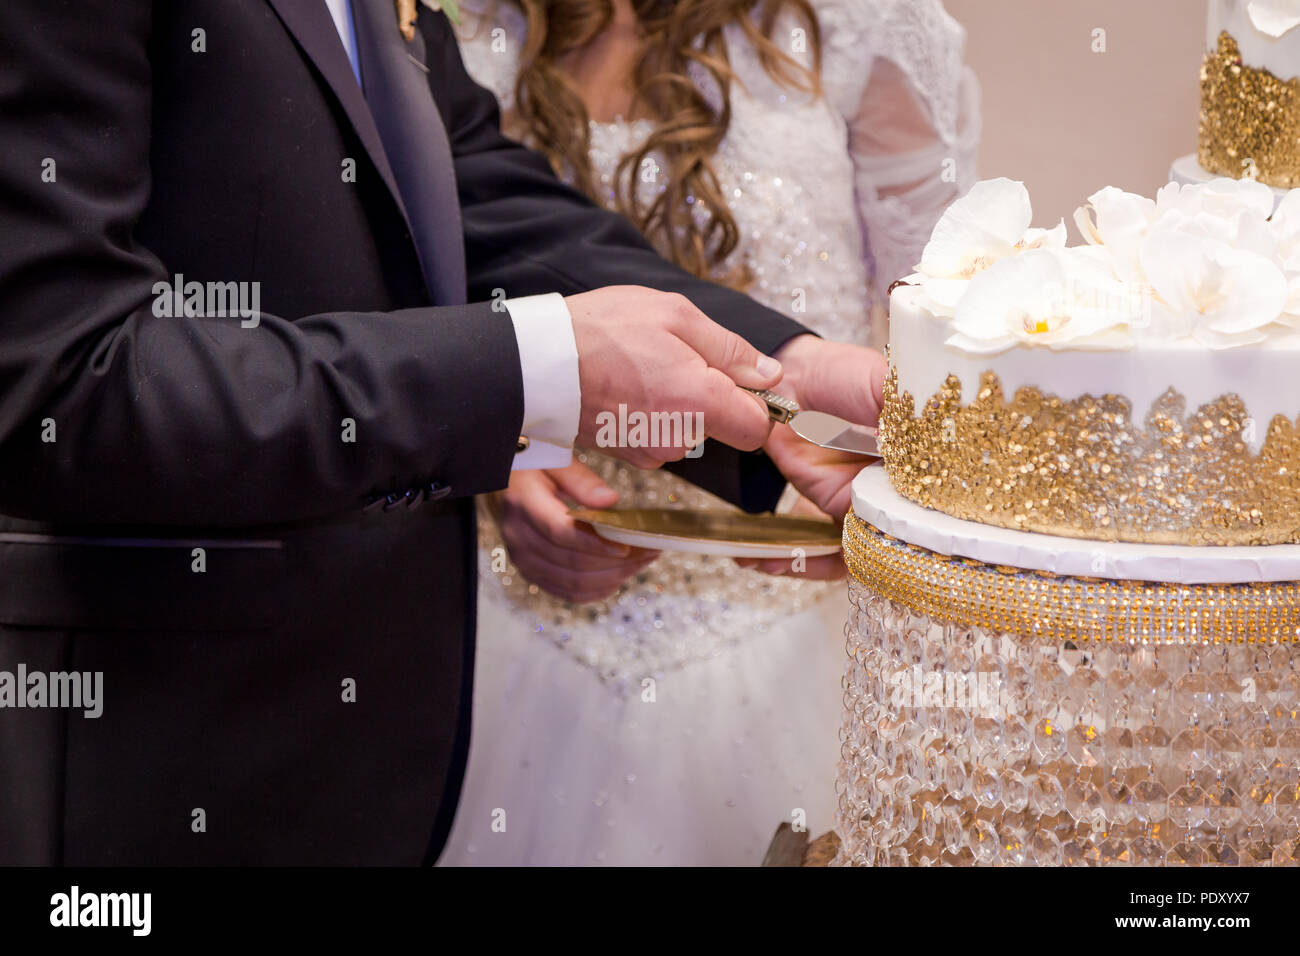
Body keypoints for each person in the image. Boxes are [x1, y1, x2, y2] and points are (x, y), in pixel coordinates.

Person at [0, 0, 880, 865]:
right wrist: (531, 366)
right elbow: (60, 376)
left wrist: (778, 370)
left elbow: (473, 196)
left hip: (388, 749)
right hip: (156, 752)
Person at [440, 0, 979, 864]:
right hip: (522, 634)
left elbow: (940, 323)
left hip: (791, 628)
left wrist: (893, 495)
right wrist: (498, 462)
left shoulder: (858, 26)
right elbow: (411, 315)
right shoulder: (442, 32)